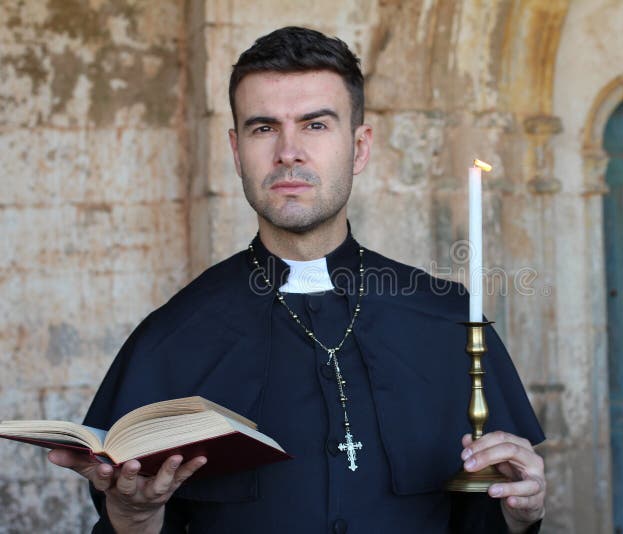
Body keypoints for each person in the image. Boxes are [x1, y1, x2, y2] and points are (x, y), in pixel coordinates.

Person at [48, 26, 546, 533]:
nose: (289, 151)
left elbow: (485, 519)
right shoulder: (172, 338)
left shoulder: (446, 320)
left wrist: (521, 515)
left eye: (314, 125)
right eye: (264, 128)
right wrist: (134, 516)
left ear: (360, 147)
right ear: (237, 150)